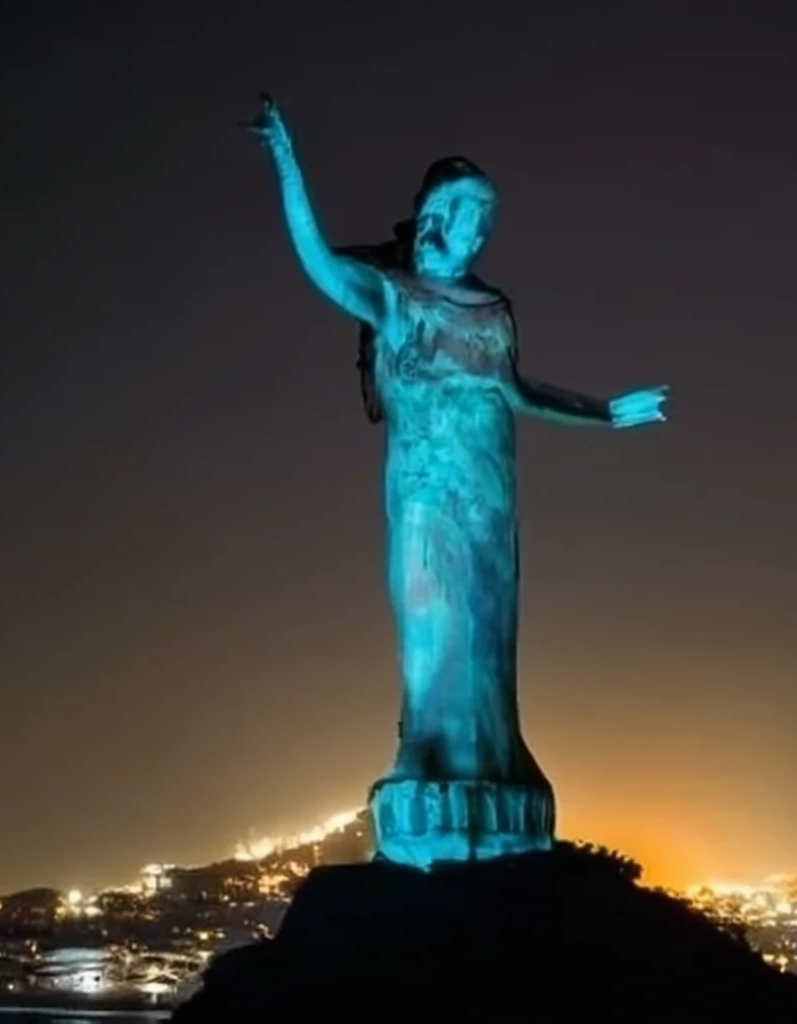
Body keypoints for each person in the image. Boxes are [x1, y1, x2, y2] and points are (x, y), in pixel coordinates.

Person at [244, 94, 669, 862]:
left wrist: (607, 412)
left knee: (489, 640)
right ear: (437, 218)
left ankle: (497, 765)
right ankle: (429, 763)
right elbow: (319, 264)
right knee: (432, 623)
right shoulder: (395, 298)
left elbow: (519, 393)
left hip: (491, 502)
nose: (481, 234)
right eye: (472, 218)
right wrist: (287, 163)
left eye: (488, 224)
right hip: (427, 494)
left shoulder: (493, 312)